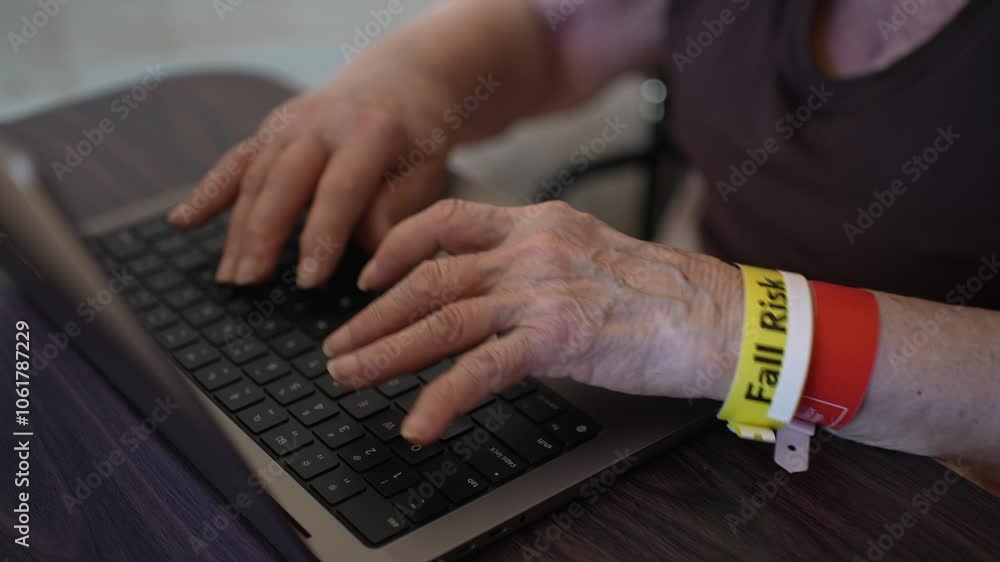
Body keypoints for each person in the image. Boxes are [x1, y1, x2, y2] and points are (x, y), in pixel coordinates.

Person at [168, 0, 999, 465]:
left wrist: (734, 325)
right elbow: (556, 31)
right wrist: (406, 86)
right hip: (708, 405)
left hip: (940, 476)